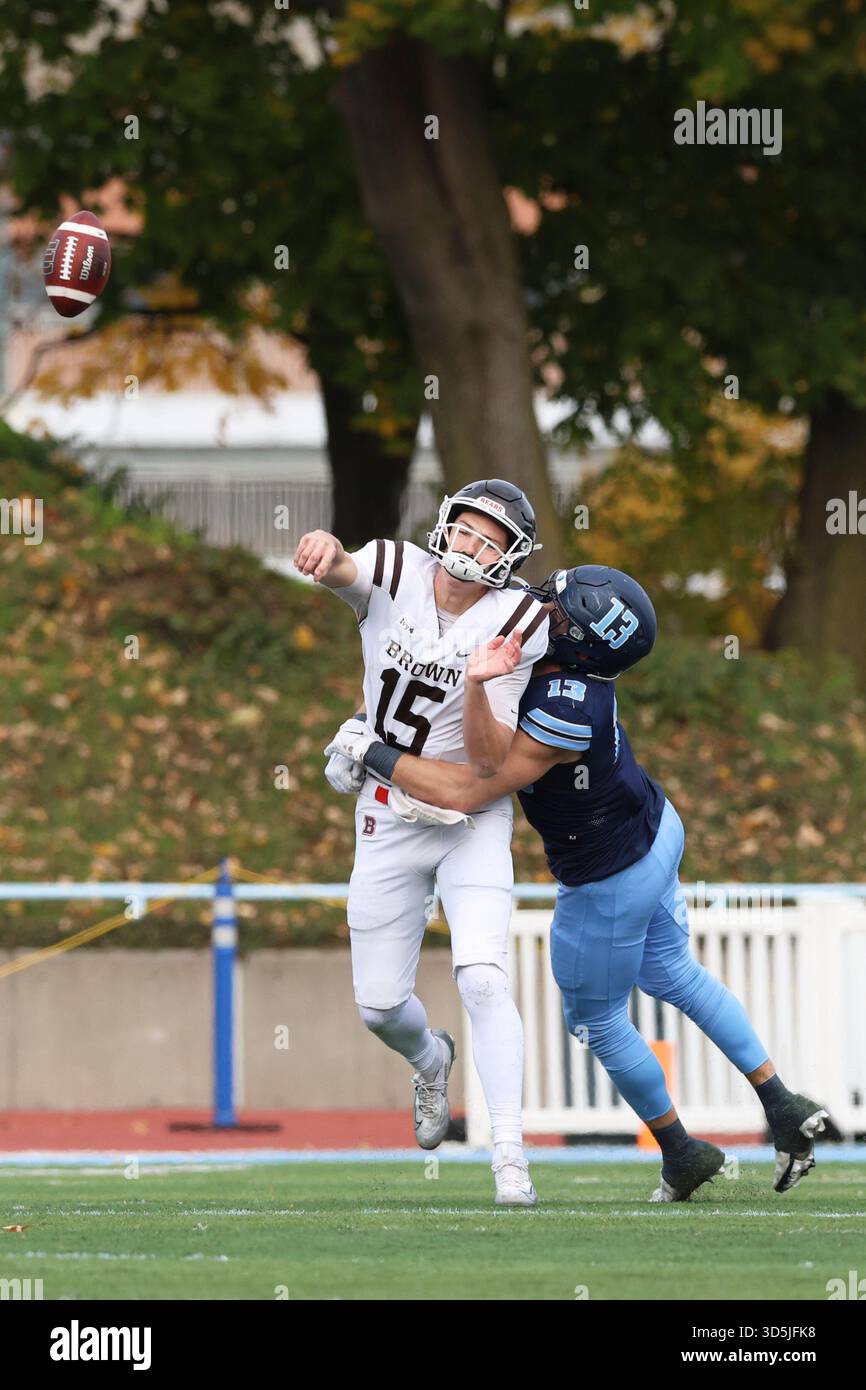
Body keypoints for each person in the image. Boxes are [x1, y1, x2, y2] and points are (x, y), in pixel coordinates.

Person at [332, 564, 829, 1201]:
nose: (544, 606)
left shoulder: (564, 704)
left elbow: (468, 789)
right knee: (675, 973)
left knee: (594, 1018)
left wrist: (371, 752)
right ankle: (783, 1104)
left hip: (610, 871)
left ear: (582, 642)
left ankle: (681, 1152)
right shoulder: (559, 662)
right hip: (654, 825)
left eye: (561, 614)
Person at [295, 480, 550, 1205]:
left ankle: (509, 1155)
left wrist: (476, 685)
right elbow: (347, 570)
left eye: (491, 542)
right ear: (444, 526)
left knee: (483, 977)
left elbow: (491, 762)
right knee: (378, 1005)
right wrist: (324, 550)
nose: (472, 548)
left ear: (510, 559)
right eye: (466, 531)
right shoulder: (398, 568)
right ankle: (430, 1057)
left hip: (471, 821)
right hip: (387, 813)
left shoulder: (515, 621)